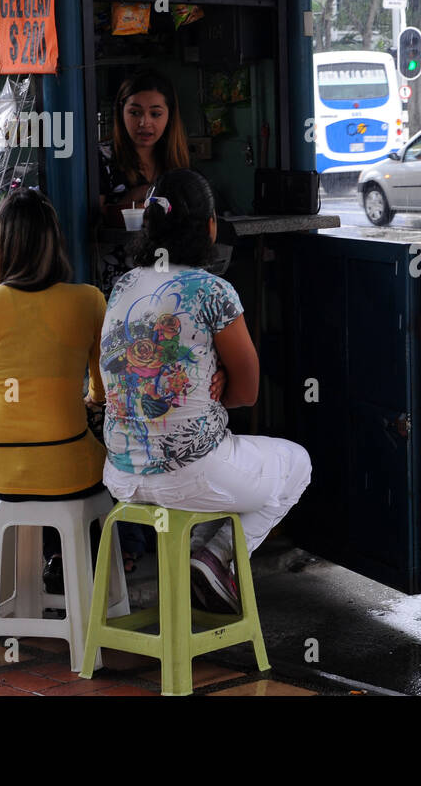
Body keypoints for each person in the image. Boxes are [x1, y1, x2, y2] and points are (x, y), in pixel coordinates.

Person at [100, 168, 311, 613]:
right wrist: (220, 388)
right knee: (295, 462)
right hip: (190, 476)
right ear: (210, 225)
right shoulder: (213, 292)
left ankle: (206, 552)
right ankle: (218, 558)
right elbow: (248, 392)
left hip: (121, 475)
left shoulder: (123, 285)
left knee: (226, 474)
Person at [0, 188, 109, 579]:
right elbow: (104, 389)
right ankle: (77, 575)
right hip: (68, 465)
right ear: (54, 243)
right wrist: (88, 401)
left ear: (1, 247)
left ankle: (45, 567)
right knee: (90, 463)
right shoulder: (88, 300)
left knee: (29, 471)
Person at [96, 68, 191, 294]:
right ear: (121, 112)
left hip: (170, 282)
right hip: (119, 284)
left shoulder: (177, 164)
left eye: (155, 114)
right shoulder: (101, 158)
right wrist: (136, 199)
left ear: (169, 116)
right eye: (135, 112)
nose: (144, 122)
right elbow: (95, 219)